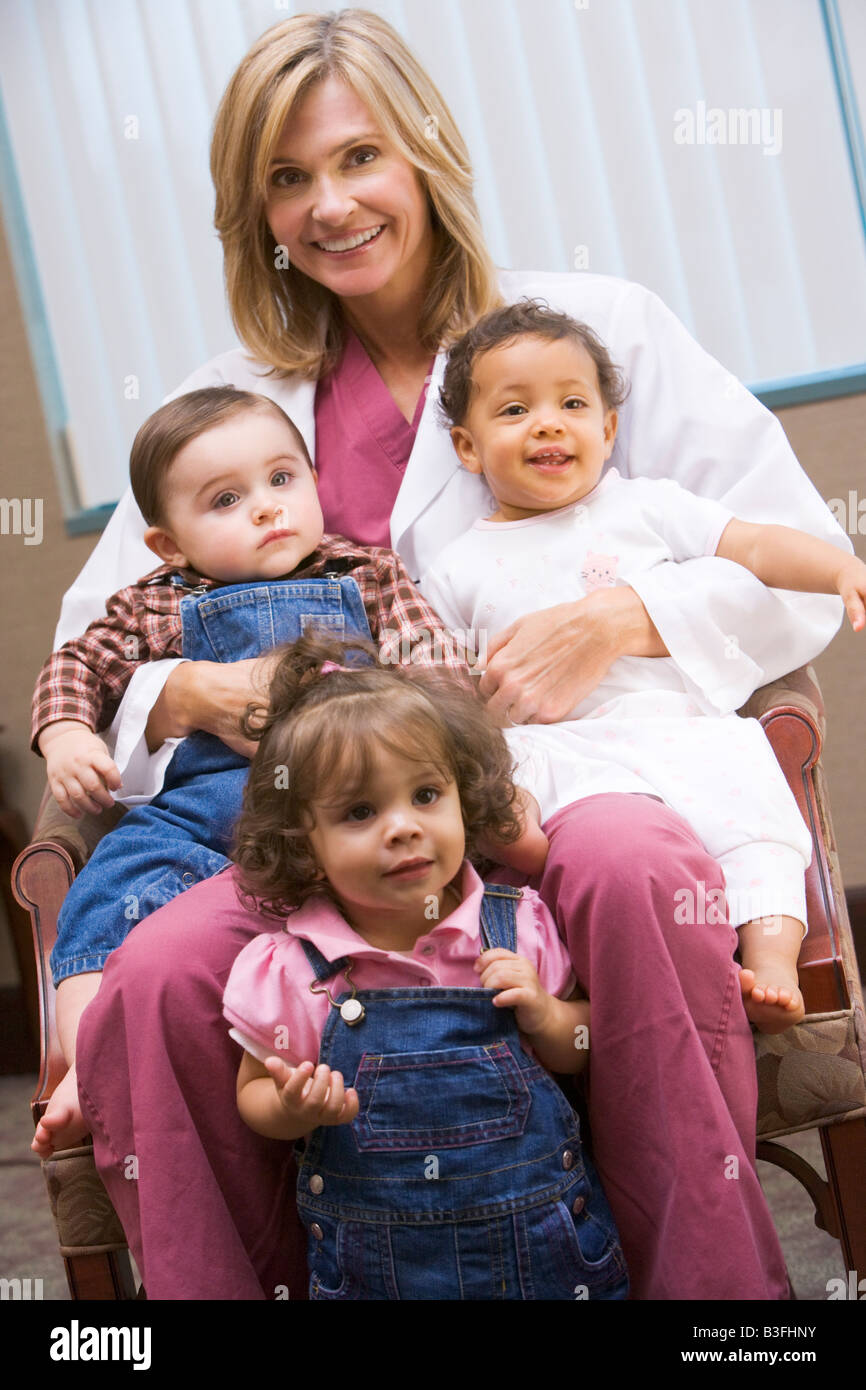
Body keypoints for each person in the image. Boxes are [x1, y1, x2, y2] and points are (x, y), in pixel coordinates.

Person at [65, 10, 851, 1299]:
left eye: (359, 156)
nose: (330, 205)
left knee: (638, 861)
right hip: (330, 831)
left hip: (567, 777)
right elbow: (97, 652)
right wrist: (184, 688)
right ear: (251, 208)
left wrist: (626, 618)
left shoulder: (598, 326)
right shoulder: (229, 399)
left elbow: (795, 560)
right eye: (286, 177)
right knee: (158, 969)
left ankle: (712, 1304)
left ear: (425, 151)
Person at [30, 384, 485, 1159]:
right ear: (169, 546)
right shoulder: (155, 604)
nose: (268, 508)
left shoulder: (367, 576)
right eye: (227, 499)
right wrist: (67, 733)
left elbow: (439, 675)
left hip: (349, 807)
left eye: (283, 480)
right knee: (104, 901)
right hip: (204, 812)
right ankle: (86, 1062)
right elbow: (78, 666)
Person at [421, 300, 866, 1035]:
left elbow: (753, 545)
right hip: (562, 753)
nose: (548, 423)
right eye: (514, 410)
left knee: (758, 821)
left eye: (571, 403)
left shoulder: (647, 508)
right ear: (468, 448)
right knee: (509, 801)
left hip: (679, 728)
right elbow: (448, 688)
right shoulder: (454, 566)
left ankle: (773, 964)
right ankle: (577, 985)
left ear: (609, 428)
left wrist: (839, 567)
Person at [222, 634, 628, 1301]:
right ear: (304, 843)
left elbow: (582, 1047)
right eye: (359, 812)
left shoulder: (516, 925)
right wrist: (293, 1106)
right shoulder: (293, 968)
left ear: (462, 798)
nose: (403, 827)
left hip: (547, 1262)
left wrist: (550, 1015)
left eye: (426, 795)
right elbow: (250, 1097)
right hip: (379, 1278)